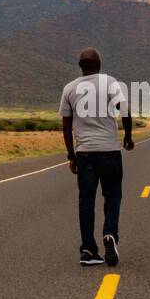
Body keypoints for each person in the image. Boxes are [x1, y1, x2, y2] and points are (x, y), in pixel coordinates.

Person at [60, 48, 133, 266]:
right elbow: (125, 109)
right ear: (99, 64)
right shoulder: (110, 82)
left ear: (80, 66)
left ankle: (88, 250)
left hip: (85, 154)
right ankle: (110, 234)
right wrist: (128, 136)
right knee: (112, 197)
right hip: (109, 151)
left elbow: (65, 125)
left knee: (86, 201)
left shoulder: (69, 89)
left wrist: (71, 154)